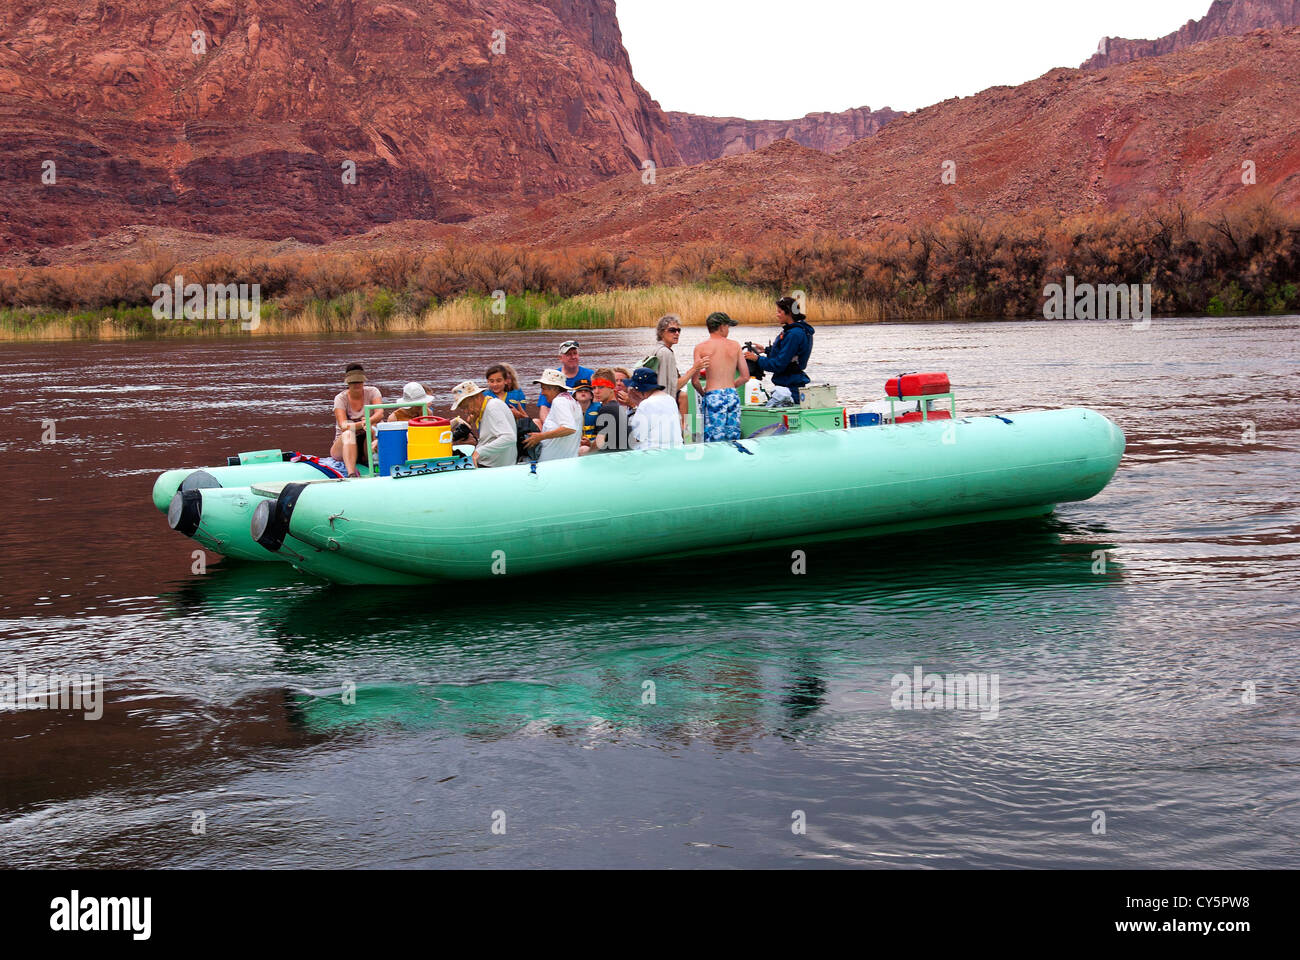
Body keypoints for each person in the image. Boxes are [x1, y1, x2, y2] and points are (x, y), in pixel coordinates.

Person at [691, 312, 749, 442]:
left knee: (714, 439)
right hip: (732, 396)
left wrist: (704, 393)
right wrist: (730, 387)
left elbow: (695, 381)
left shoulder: (701, 348)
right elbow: (745, 376)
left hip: (713, 396)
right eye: (728, 326)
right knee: (733, 438)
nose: (728, 330)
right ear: (722, 327)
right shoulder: (735, 346)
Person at [744, 297, 816, 402]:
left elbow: (779, 364)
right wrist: (766, 350)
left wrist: (757, 359)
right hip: (790, 385)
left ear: (789, 313)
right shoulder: (797, 331)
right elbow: (789, 354)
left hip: (790, 388)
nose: (777, 314)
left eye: (779, 312)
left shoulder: (794, 334)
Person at [649, 315, 707, 429]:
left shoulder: (656, 350)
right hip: (664, 409)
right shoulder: (665, 353)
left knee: (683, 396)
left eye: (678, 330)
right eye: (672, 330)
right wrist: (695, 368)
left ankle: (686, 432)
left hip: (655, 405)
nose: (677, 333)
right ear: (661, 333)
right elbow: (674, 386)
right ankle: (685, 434)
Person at [331, 364, 385, 477]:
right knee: (348, 433)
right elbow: (343, 425)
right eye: (353, 382)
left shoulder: (373, 392)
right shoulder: (340, 398)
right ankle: (351, 473)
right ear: (348, 383)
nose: (356, 385)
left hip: (368, 442)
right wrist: (363, 424)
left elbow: (379, 413)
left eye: (359, 381)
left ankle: (378, 467)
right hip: (345, 445)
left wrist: (369, 422)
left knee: (374, 428)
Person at [450, 380, 517, 468]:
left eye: (466, 407)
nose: (466, 411)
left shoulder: (492, 407)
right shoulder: (488, 407)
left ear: (476, 397)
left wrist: (478, 452)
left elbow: (509, 438)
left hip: (492, 467)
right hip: (488, 463)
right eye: (463, 409)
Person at [523, 369, 582, 460]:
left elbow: (569, 428)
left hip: (553, 464)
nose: (542, 393)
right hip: (568, 460)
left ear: (555, 388)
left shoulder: (559, 401)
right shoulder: (574, 403)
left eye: (543, 388)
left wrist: (540, 436)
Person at [626, 366, 684, 450]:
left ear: (639, 389)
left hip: (653, 452)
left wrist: (635, 405)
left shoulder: (646, 404)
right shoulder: (670, 399)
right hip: (676, 449)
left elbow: (637, 436)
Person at [537, 340, 595, 415]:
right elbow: (544, 408)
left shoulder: (591, 375)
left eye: (575, 353)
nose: (573, 357)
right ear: (560, 358)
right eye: (568, 354)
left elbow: (597, 400)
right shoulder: (552, 377)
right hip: (560, 419)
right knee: (536, 421)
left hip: (586, 418)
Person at [587, 368, 633, 453]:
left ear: (612, 387)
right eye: (593, 387)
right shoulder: (616, 407)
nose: (596, 391)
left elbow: (599, 443)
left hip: (615, 460)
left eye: (601, 387)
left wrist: (585, 456)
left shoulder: (607, 409)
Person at [572, 378, 599, 451]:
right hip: (575, 444)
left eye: (586, 391)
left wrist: (591, 443)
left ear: (591, 396)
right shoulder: (569, 410)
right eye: (580, 391)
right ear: (575, 395)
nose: (583, 392)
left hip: (594, 444)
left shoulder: (600, 408)